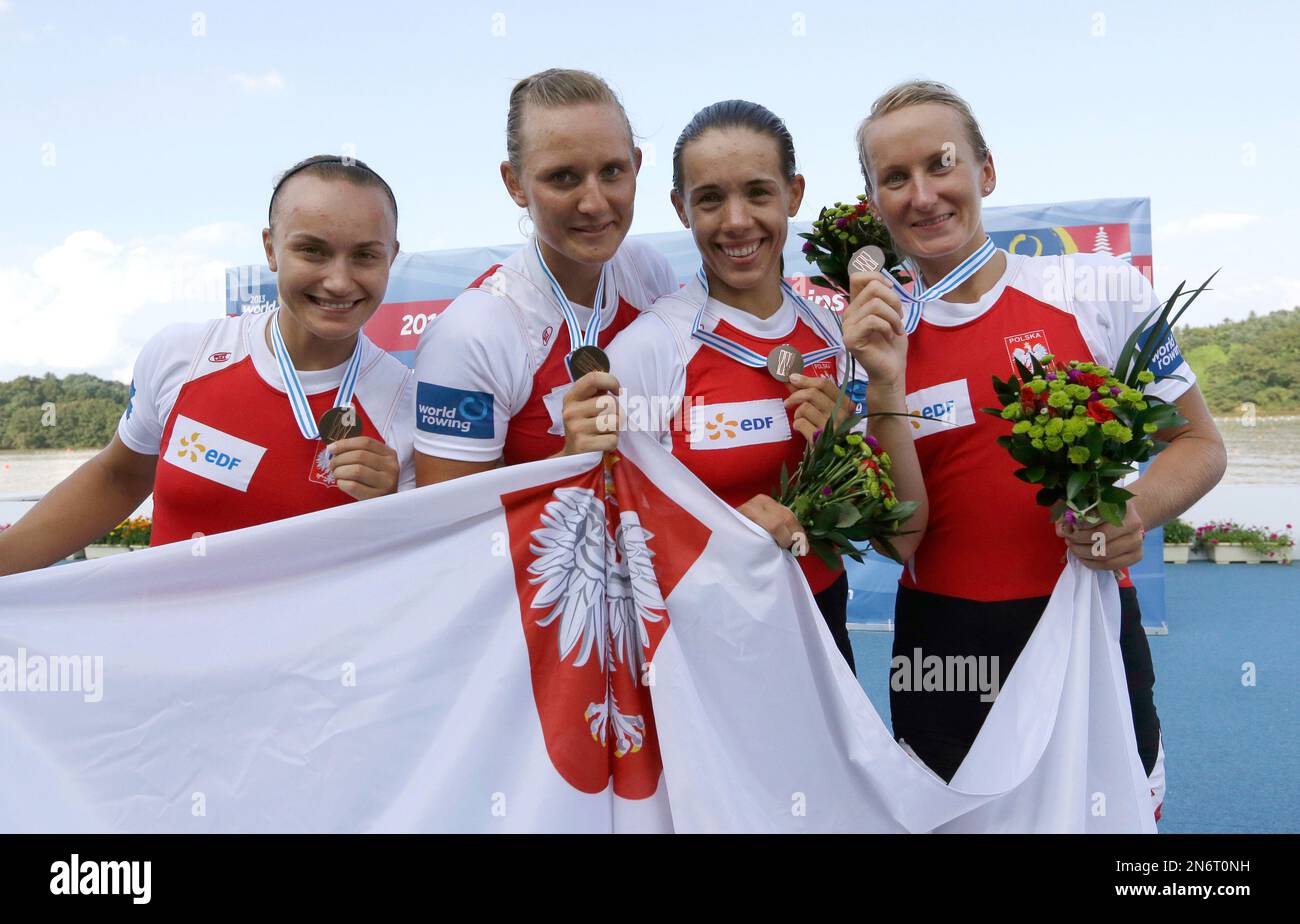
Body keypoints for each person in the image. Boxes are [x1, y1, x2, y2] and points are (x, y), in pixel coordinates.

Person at [853, 80, 1226, 803]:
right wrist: (884, 384)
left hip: (1088, 620)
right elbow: (896, 539)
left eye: (941, 164)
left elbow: (1200, 443)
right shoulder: (869, 338)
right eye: (895, 178)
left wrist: (1133, 510)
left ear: (986, 171)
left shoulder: (1096, 289)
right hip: (945, 647)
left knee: (1111, 818)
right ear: (874, 202)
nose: (922, 195)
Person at [604, 100, 929, 671]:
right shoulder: (649, 349)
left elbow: (891, 531)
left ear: (793, 194)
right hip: (703, 651)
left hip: (821, 632)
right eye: (710, 199)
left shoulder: (833, 335)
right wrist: (721, 531)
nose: (736, 221)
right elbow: (600, 533)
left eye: (758, 192)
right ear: (681, 208)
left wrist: (845, 450)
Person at [0, 155, 414, 576]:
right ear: (271, 248)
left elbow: (424, 572)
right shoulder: (184, 355)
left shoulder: (410, 406)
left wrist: (397, 508)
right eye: (312, 250)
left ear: (391, 257)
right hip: (162, 621)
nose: (339, 281)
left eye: (365, 256)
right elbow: (118, 479)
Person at [412, 69, 677, 484]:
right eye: (563, 178)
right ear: (515, 184)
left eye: (612, 171)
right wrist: (567, 461)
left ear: (637, 166)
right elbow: (449, 516)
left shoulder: (650, 273)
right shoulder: (470, 332)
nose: (594, 203)